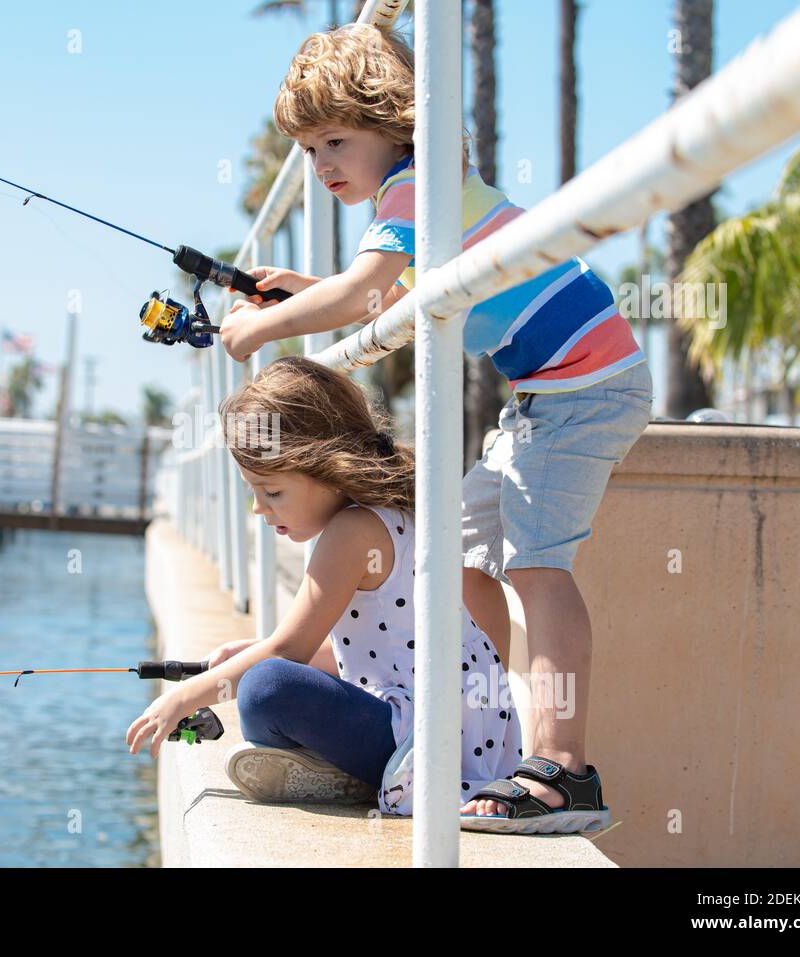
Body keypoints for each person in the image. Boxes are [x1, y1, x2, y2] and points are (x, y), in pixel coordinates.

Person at [218, 22, 647, 833]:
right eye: (309, 152)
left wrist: (258, 331)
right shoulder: (428, 190)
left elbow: (362, 296)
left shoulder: (416, 186)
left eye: (335, 140)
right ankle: (480, 731)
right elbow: (392, 294)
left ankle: (562, 770)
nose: (322, 167)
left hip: (584, 388)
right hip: (547, 394)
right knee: (459, 547)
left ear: (393, 119)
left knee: (538, 567)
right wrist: (310, 288)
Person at [126, 356, 521, 816]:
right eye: (254, 492)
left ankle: (356, 774)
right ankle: (351, 767)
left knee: (267, 689)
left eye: (272, 492)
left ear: (327, 465)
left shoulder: (352, 532)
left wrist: (183, 696)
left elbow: (287, 650)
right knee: (262, 676)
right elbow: (380, 650)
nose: (260, 509)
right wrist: (252, 652)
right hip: (458, 730)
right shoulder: (392, 514)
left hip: (427, 743)